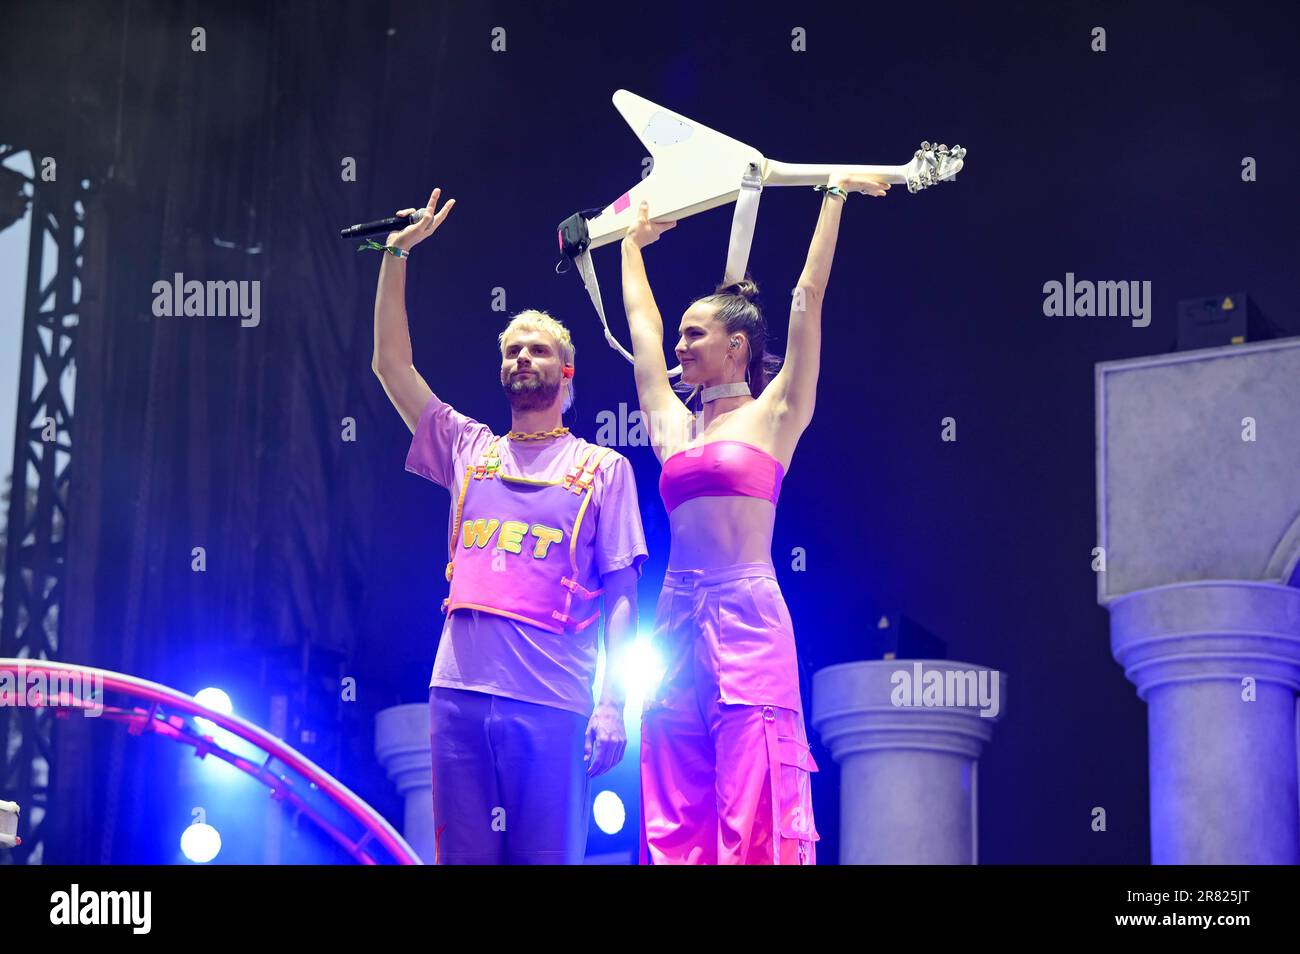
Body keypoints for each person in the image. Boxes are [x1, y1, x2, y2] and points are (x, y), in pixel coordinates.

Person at [372, 187, 648, 864]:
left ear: (567, 370)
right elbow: (390, 365)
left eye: (539, 350)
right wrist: (394, 254)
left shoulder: (603, 468)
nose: (523, 358)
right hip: (457, 697)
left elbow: (621, 603)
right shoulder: (469, 448)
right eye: (513, 350)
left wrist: (612, 706)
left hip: (552, 704)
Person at [621, 173, 891, 864]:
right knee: (675, 799)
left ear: (736, 346)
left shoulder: (776, 416)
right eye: (682, 335)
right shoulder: (674, 431)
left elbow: (806, 300)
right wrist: (630, 244)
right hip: (675, 618)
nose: (680, 347)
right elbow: (643, 335)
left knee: (754, 793)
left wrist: (834, 196)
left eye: (695, 335)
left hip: (747, 613)